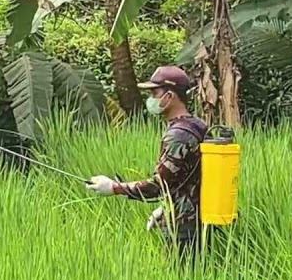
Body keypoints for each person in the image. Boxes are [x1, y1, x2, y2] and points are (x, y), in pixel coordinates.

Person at [85, 65, 212, 261]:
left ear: (170, 96)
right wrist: (166, 207)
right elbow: (186, 178)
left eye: (155, 92)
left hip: (184, 228)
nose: (151, 99)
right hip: (194, 219)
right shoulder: (196, 125)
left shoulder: (178, 135)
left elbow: (158, 184)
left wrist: (114, 188)